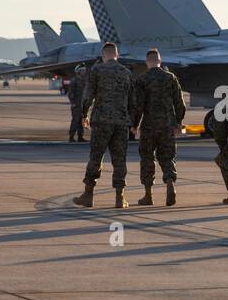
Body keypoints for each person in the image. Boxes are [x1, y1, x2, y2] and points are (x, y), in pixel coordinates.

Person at [73, 44, 135, 209]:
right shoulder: (126, 72)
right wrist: (134, 122)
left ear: (103, 55)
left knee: (95, 157)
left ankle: (88, 194)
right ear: (117, 55)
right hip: (121, 122)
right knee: (119, 160)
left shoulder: (97, 71)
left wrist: (83, 115)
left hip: (101, 121)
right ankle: (119, 198)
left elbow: (88, 96)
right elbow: (132, 101)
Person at [131, 49, 185, 206]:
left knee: (147, 158)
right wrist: (178, 122)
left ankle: (148, 195)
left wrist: (135, 124)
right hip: (167, 125)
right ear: (160, 61)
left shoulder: (142, 79)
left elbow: (138, 105)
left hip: (149, 126)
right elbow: (179, 103)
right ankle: (170, 184)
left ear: (147, 62)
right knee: (168, 157)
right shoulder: (170, 78)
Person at [67, 65, 86, 142]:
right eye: (83, 70)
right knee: (75, 120)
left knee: (81, 121)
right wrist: (73, 103)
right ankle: (71, 137)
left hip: (82, 104)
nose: (84, 72)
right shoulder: (74, 81)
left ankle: (80, 137)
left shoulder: (84, 80)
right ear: (78, 71)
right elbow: (70, 93)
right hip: (76, 104)